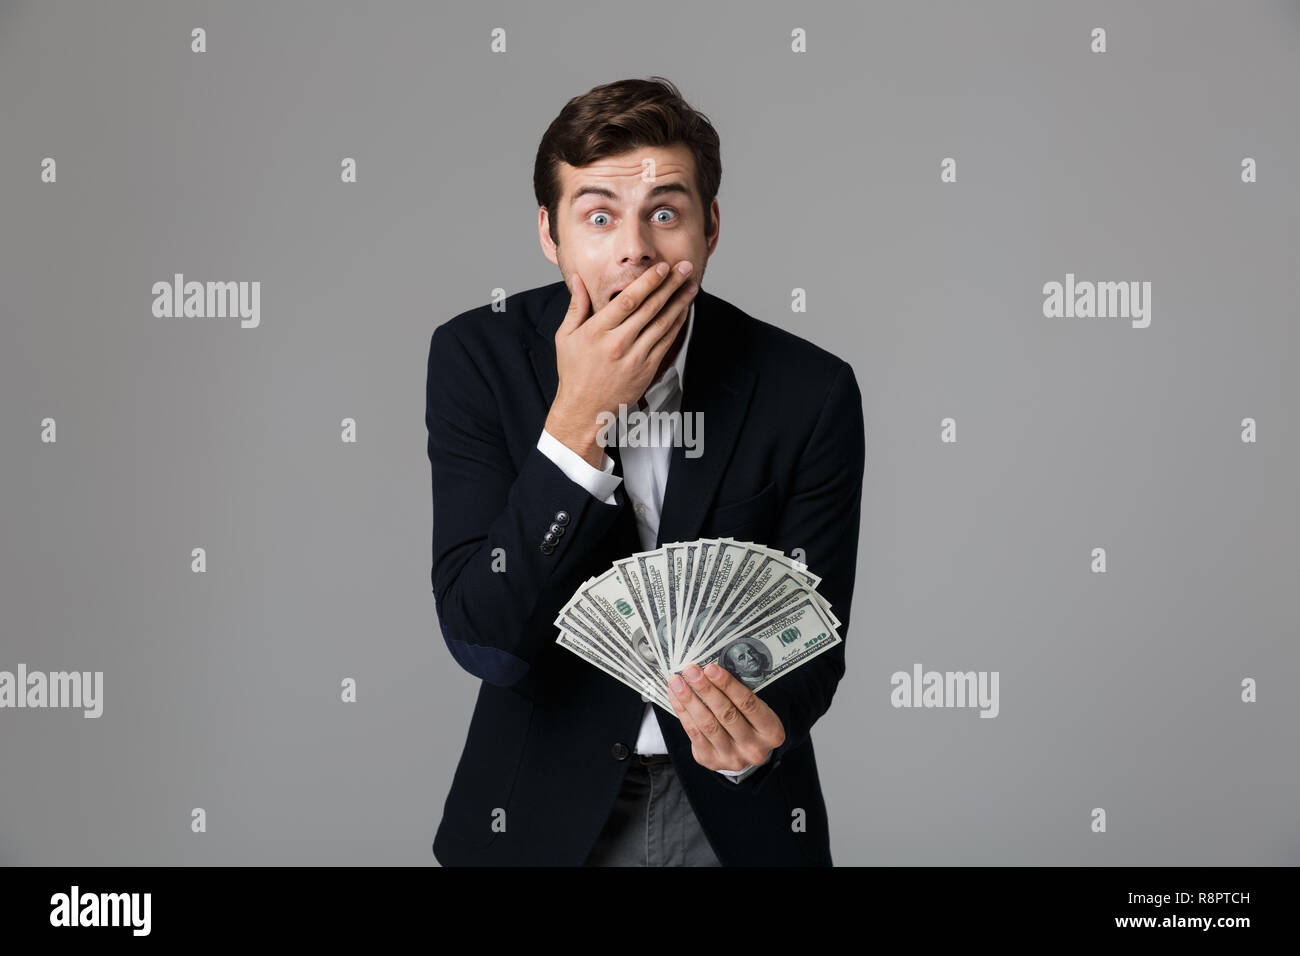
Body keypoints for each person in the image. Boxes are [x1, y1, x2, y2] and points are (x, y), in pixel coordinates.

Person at [426, 76, 865, 866]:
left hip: (738, 815)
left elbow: (814, 646)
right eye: (599, 216)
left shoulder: (811, 389)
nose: (635, 246)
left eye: (665, 212)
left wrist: (752, 744)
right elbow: (486, 639)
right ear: (549, 234)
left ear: (712, 227)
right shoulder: (474, 358)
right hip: (536, 819)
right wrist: (578, 421)